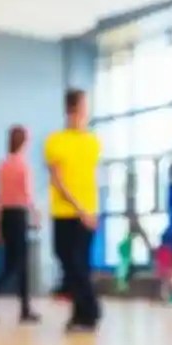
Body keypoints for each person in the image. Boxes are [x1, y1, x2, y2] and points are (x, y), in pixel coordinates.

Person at [45, 88, 103, 332]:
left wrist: (87, 211)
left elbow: (87, 179)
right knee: (65, 259)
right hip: (63, 212)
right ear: (73, 109)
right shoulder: (55, 141)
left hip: (87, 213)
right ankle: (86, 310)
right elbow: (58, 180)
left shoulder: (93, 142)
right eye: (84, 105)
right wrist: (78, 207)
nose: (87, 111)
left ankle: (86, 313)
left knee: (81, 264)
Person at [0, 125, 40, 324]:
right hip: (19, 216)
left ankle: (24, 309)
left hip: (6, 217)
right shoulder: (23, 166)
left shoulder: (3, 166)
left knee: (19, 265)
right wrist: (35, 216)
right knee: (14, 265)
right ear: (24, 142)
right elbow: (28, 195)